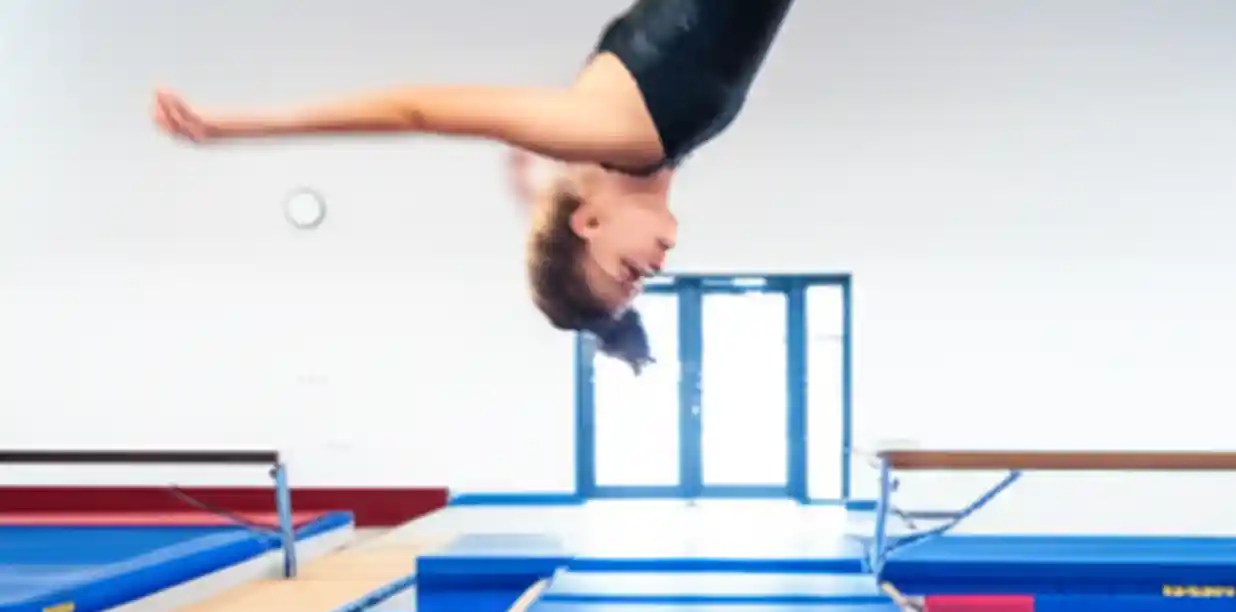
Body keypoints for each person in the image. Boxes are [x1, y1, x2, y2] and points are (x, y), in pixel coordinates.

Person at [152, 0, 796, 374]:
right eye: (642, 278)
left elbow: (416, 110)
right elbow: (558, 211)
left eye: (629, 271)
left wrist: (232, 125)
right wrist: (614, 331)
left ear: (590, 226)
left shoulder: (611, 136)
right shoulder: (628, 160)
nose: (656, 265)